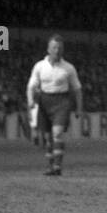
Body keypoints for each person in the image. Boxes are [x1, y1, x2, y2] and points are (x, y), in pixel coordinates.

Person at [26, 34, 83, 176]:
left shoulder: (68, 68)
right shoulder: (39, 66)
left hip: (62, 102)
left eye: (59, 48)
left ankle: (57, 166)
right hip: (45, 101)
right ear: (48, 49)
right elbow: (31, 86)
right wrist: (30, 101)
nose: (57, 50)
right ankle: (51, 166)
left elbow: (77, 89)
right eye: (54, 47)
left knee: (57, 133)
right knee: (47, 138)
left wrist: (79, 108)